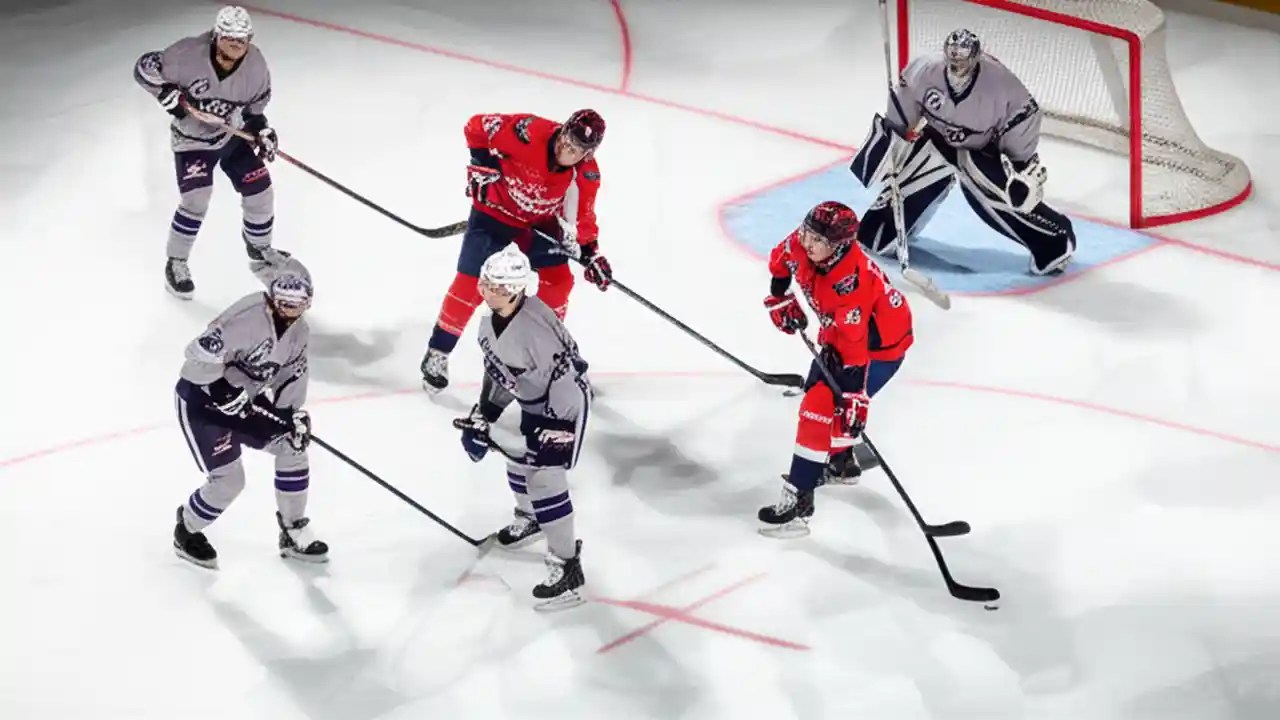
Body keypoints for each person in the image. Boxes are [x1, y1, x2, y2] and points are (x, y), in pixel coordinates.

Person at [849, 28, 1075, 276]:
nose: (957, 67)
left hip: (980, 151)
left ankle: (1056, 237)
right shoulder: (923, 71)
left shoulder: (1002, 84)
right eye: (952, 59)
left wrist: (1022, 170)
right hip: (937, 142)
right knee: (875, 237)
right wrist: (891, 151)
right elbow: (899, 122)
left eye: (963, 61)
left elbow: (1025, 119)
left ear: (976, 58)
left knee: (1006, 196)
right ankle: (899, 224)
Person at [421, 109, 612, 393]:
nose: (565, 148)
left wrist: (591, 251)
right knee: (472, 282)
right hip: (494, 213)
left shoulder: (587, 173)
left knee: (559, 284)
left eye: (574, 149)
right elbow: (476, 126)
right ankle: (438, 352)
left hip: (539, 225)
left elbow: (584, 214)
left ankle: (545, 353)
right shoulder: (528, 131)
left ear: (586, 154)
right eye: (565, 139)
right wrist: (481, 162)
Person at [454, 245, 592, 611]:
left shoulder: (536, 329)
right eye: (486, 282)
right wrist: (485, 413)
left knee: (545, 476)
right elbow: (499, 372)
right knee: (516, 459)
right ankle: (530, 517)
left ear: (514, 290)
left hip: (562, 403)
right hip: (532, 398)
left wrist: (553, 431)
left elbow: (565, 378)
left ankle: (567, 567)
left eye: (496, 286)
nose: (486, 290)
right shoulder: (489, 322)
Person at [758, 201, 908, 538]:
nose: (808, 243)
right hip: (839, 335)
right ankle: (841, 463)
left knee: (819, 409)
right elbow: (779, 262)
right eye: (807, 232)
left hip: (879, 348)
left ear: (839, 247)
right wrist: (780, 298)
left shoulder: (850, 283)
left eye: (818, 240)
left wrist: (855, 397)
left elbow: (854, 350)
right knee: (824, 406)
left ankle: (799, 501)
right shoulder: (801, 243)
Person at [171, 257, 324, 569]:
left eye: (297, 305)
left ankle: (293, 529)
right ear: (271, 296)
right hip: (203, 403)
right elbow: (195, 355)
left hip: (244, 402)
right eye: (283, 302)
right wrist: (218, 389)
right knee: (229, 482)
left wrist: (291, 415)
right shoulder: (246, 317)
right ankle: (186, 529)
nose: (289, 311)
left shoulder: (299, 333)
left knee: (292, 445)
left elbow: (291, 375)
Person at [133, 5, 283, 299]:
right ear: (216, 35)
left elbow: (255, 110)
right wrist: (164, 94)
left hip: (230, 135)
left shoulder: (256, 66)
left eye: (241, 40)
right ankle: (176, 262)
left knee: (261, 188)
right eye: (228, 38)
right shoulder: (186, 55)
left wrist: (261, 129)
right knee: (196, 199)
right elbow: (143, 68)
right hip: (192, 141)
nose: (235, 45)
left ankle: (259, 247)